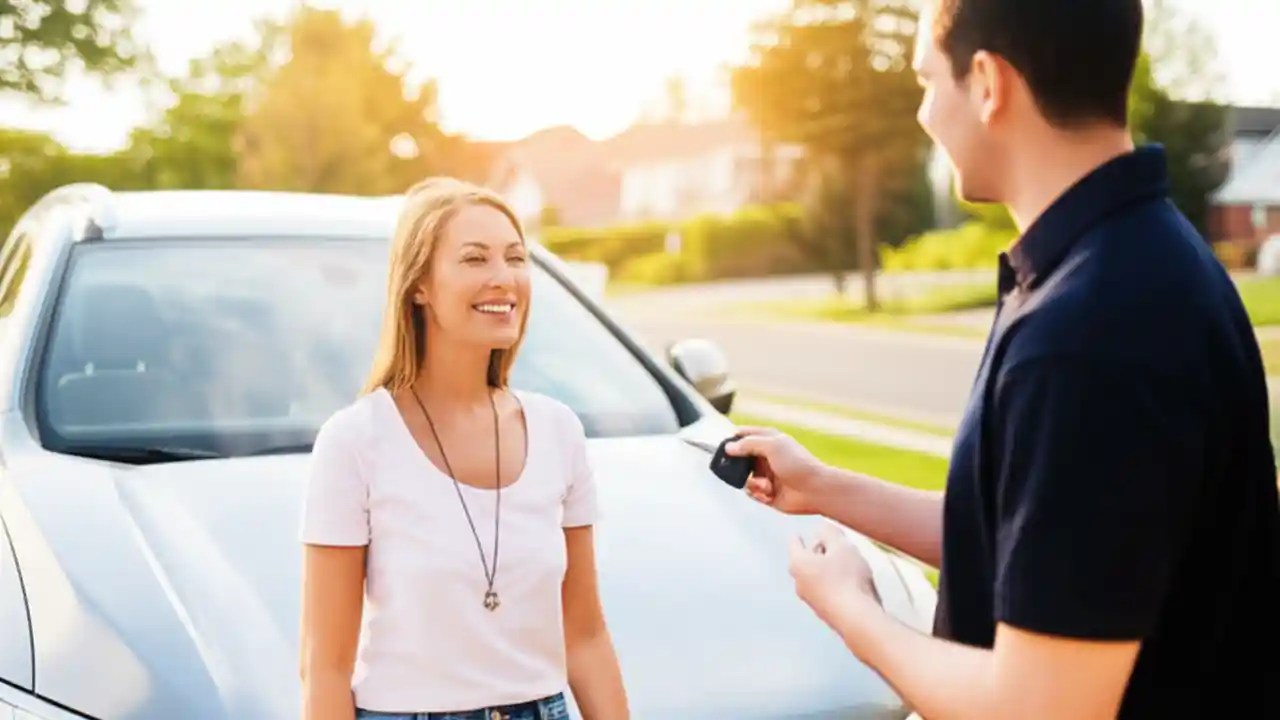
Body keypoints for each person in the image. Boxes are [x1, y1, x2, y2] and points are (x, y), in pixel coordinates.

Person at [726, 0, 1280, 717]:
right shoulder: (1132, 261)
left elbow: (1041, 707)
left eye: (929, 82)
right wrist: (825, 486)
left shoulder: (1089, 332)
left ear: (988, 83)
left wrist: (853, 612)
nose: (924, 114)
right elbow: (1043, 537)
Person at [298, 177, 629, 720]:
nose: (504, 278)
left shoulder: (558, 431)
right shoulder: (355, 442)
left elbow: (585, 636)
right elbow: (325, 668)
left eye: (516, 258)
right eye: (475, 259)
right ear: (420, 284)